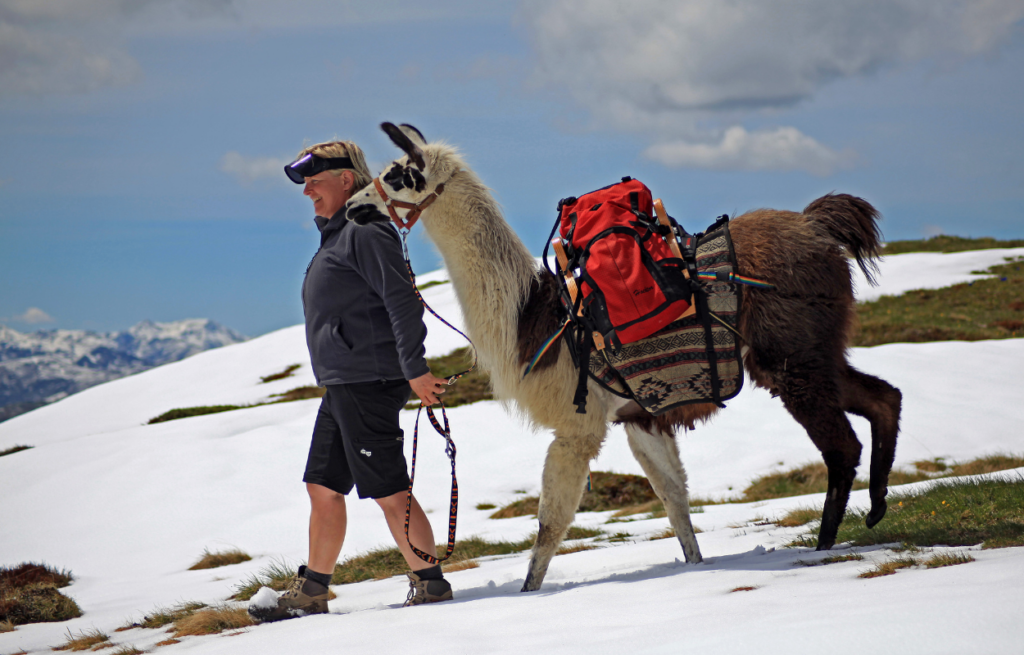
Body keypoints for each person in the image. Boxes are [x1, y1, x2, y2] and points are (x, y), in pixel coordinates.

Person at [254, 140, 453, 622]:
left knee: (388, 490)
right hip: (345, 381)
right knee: (322, 485)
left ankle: (430, 586)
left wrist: (415, 368)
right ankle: (313, 590)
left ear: (346, 180)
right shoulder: (340, 232)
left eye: (315, 183)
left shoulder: (365, 231)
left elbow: (403, 301)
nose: (308, 193)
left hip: (369, 379)